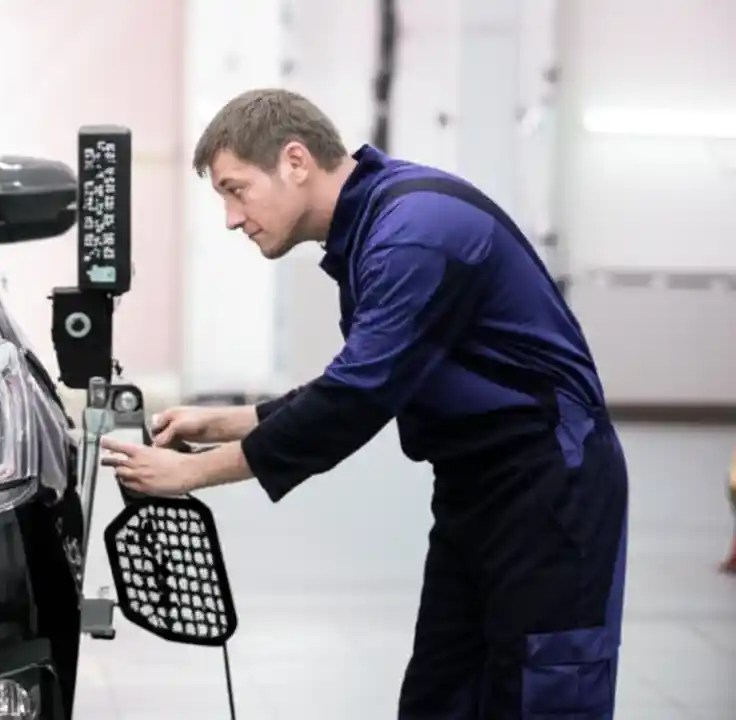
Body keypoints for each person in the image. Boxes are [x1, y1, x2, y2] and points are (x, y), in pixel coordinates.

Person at [100, 88, 629, 718]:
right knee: (443, 696)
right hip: (475, 491)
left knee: (541, 696)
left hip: (549, 490)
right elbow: (370, 373)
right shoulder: (380, 221)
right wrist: (225, 421)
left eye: (235, 190)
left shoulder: (415, 232)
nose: (232, 218)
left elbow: (358, 397)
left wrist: (192, 471)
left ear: (295, 161)